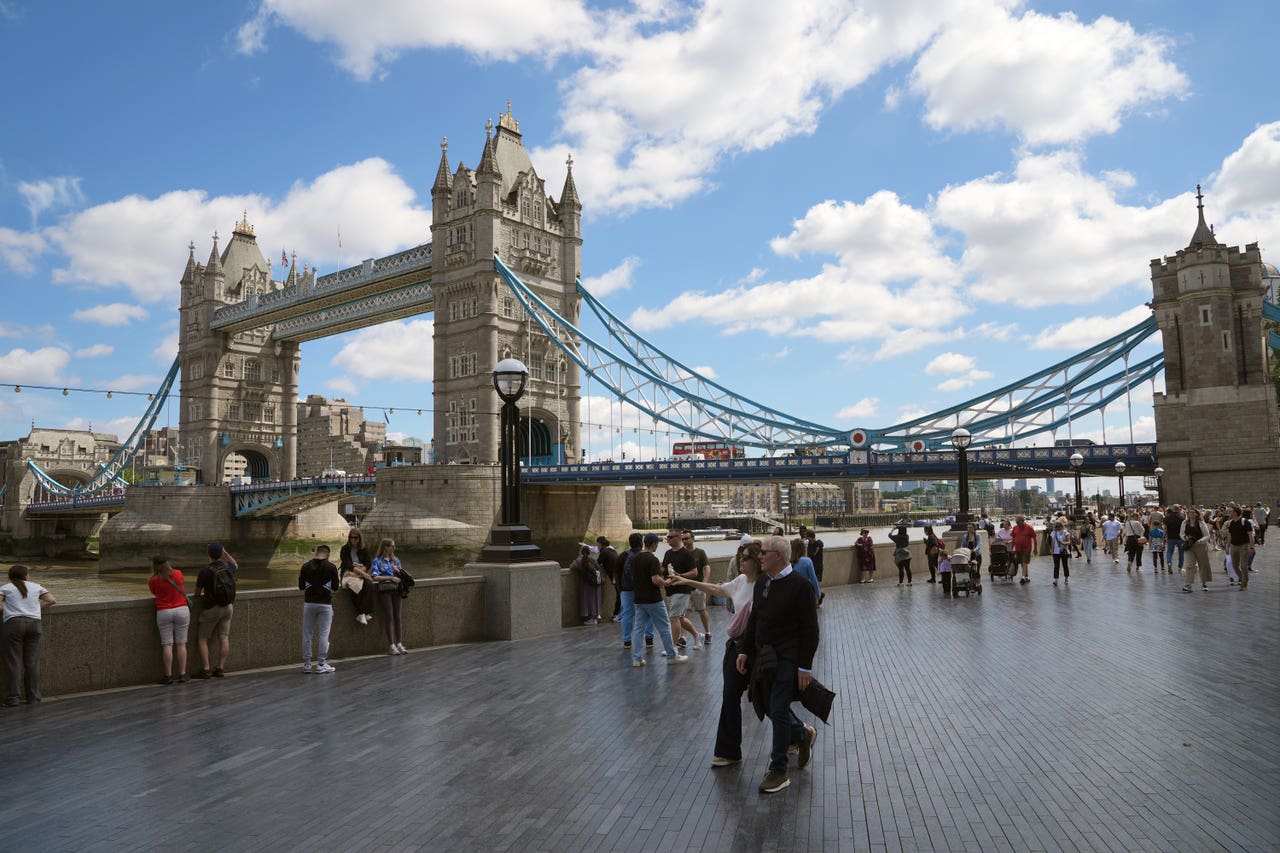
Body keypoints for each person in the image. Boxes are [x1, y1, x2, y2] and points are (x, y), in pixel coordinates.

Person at [736, 536, 820, 795]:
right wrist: (745, 651)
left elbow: (810, 630)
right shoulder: (763, 582)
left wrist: (804, 666)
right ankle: (802, 733)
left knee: (779, 706)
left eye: (764, 552)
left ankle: (779, 769)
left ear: (779, 557)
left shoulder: (800, 586)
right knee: (767, 704)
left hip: (788, 657)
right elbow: (755, 619)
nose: (759, 556)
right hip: (765, 656)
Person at [677, 541, 764, 767]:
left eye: (745, 557)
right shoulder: (741, 581)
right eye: (739, 556)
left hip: (758, 649)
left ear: (757, 560)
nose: (740, 560)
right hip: (736, 647)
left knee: (768, 699)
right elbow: (717, 589)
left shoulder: (767, 585)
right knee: (730, 697)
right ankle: (728, 751)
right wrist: (687, 581)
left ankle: (800, 734)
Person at [630, 533, 688, 667]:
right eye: (657, 543)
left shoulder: (635, 558)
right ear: (653, 543)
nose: (658, 545)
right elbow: (655, 579)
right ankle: (672, 656)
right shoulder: (652, 559)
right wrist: (666, 583)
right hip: (653, 599)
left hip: (638, 599)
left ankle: (636, 658)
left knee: (639, 628)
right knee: (664, 627)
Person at [1, 565, 55, 706]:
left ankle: (12, 699)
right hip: (34, 625)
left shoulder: (6, 587)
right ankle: (34, 697)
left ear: (10, 576)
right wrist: (36, 608)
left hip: (14, 625)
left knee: (14, 662)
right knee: (32, 663)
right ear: (26, 576)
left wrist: (7, 609)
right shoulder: (36, 586)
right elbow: (51, 600)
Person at [194, 542, 237, 679]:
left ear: (208, 554)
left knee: (202, 639)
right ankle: (220, 668)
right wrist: (225, 552)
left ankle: (206, 669)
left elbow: (196, 593)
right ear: (220, 553)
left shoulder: (205, 571)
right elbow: (235, 564)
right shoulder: (227, 568)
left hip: (213, 609)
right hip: (228, 607)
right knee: (224, 637)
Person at [147, 556, 190, 685]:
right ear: (167, 563)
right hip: (181, 610)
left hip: (164, 612)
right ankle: (182, 674)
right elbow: (181, 583)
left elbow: (155, 593)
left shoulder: (153, 581)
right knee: (181, 644)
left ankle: (168, 676)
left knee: (167, 645)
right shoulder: (178, 573)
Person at [298, 545, 340, 673]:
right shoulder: (331, 567)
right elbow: (335, 587)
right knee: (323, 634)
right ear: (327, 554)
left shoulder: (305, 566)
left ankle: (307, 664)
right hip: (325, 604)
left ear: (317, 553)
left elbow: (301, 587)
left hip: (309, 604)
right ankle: (321, 664)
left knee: (307, 634)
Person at [662, 530, 701, 650]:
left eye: (670, 537)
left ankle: (673, 647)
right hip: (670, 589)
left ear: (678, 538)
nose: (668, 539)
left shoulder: (686, 554)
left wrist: (681, 576)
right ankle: (697, 635)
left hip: (682, 589)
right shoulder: (668, 553)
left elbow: (695, 572)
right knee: (679, 618)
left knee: (674, 617)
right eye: (667, 537)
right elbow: (663, 569)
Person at [371, 538, 408, 655]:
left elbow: (403, 577)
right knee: (389, 617)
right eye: (392, 546)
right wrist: (390, 577)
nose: (394, 548)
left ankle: (399, 643)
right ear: (385, 547)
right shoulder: (377, 561)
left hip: (397, 590)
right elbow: (374, 576)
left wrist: (397, 571)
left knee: (398, 616)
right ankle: (391, 645)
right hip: (385, 591)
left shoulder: (396, 561)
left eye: (394, 546)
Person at [616, 533, 652, 650]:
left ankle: (627, 641)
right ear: (641, 542)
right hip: (644, 590)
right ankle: (649, 639)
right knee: (648, 614)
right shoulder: (646, 555)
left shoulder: (623, 556)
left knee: (627, 614)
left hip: (627, 590)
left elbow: (616, 574)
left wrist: (620, 590)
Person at [339, 528, 375, 625]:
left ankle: (365, 612)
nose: (353, 540)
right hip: (348, 571)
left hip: (360, 571)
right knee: (355, 586)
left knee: (369, 585)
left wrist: (361, 572)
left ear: (359, 538)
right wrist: (362, 574)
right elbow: (347, 564)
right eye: (351, 537)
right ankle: (361, 613)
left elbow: (368, 563)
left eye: (355, 538)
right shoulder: (345, 549)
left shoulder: (364, 549)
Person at [683, 531, 713, 643]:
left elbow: (707, 568)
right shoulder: (682, 554)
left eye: (686, 538)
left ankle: (708, 633)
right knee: (685, 613)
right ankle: (683, 637)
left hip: (698, 587)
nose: (685, 541)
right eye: (683, 539)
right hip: (685, 588)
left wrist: (703, 584)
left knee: (702, 610)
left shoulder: (700, 552)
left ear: (693, 538)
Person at [1180, 508, 1212, 593]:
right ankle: (1188, 584)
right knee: (1189, 565)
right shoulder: (1184, 523)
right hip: (1189, 546)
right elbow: (1181, 533)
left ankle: (1204, 583)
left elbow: (1207, 535)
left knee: (1203, 564)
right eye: (1190, 512)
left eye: (1193, 512)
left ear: (1197, 514)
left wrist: (1201, 540)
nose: (1191, 514)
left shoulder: (1201, 523)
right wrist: (1185, 538)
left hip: (1200, 545)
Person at [1224, 505, 1254, 591]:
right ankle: (1242, 578)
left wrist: (1251, 547)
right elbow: (1230, 535)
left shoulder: (1245, 522)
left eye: (1230, 511)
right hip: (1234, 546)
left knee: (1243, 565)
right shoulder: (1230, 523)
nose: (1228, 513)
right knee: (1234, 565)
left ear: (1235, 512)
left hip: (1244, 545)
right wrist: (1227, 546)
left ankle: (1244, 584)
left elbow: (1250, 535)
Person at [571, 545, 603, 625]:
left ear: (581, 552)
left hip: (586, 583)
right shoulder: (593, 559)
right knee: (595, 600)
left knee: (588, 600)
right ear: (589, 552)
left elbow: (572, 567)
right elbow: (598, 568)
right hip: (595, 583)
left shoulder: (579, 561)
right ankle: (595, 617)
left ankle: (592, 619)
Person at [596, 536, 620, 622]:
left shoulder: (604, 552)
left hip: (616, 577)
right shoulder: (611, 551)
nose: (597, 547)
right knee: (621, 595)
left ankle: (616, 615)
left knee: (620, 595)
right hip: (618, 575)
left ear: (602, 545)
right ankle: (618, 614)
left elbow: (596, 564)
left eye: (598, 545)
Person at [1010, 516, 1037, 584]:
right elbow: (1013, 538)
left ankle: (1023, 577)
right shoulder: (1015, 528)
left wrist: (1035, 549)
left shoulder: (1029, 527)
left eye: (1018, 522)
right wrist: (1012, 548)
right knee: (1022, 563)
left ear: (1022, 521)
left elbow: (1034, 538)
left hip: (1027, 548)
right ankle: (1027, 576)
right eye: (1016, 522)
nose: (1017, 523)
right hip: (1018, 548)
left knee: (1024, 562)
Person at [1164, 505, 1185, 571]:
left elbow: (1165, 528)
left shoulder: (1167, 517)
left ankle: (1169, 562)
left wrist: (1164, 536)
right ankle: (1180, 567)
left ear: (1173, 509)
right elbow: (1184, 527)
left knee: (1169, 551)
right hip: (1180, 537)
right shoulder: (1182, 517)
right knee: (1181, 552)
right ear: (1179, 509)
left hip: (1170, 537)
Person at [1050, 522, 1072, 586]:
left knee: (1065, 565)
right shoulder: (1053, 533)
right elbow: (1052, 543)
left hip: (1063, 551)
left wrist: (1062, 543)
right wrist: (1052, 551)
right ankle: (1056, 580)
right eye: (1056, 526)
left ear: (1061, 526)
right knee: (1056, 566)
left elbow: (1068, 542)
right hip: (1056, 552)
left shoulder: (1065, 532)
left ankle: (1066, 578)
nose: (1057, 528)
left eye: (1058, 526)